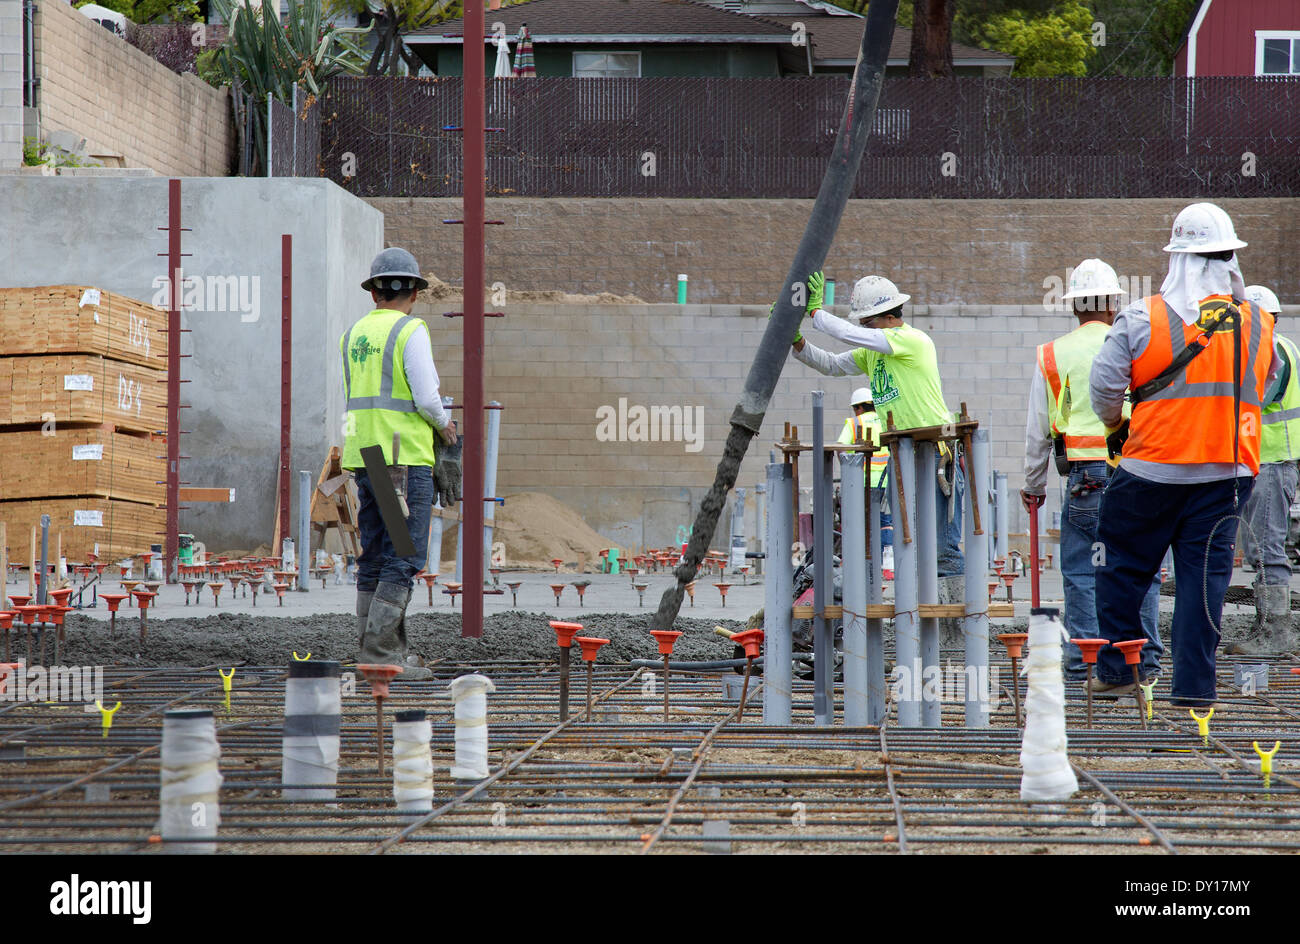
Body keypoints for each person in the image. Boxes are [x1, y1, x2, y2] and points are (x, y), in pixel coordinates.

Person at [1089, 204, 1278, 707]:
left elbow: (1104, 389)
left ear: (1178, 260)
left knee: (1120, 570)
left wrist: (1116, 427)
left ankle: (1118, 669)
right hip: (1227, 477)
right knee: (1202, 588)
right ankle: (1194, 692)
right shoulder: (1260, 324)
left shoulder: (1140, 316)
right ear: (1229, 260)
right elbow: (1270, 382)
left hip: (1149, 470)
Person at [1022, 259, 1162, 681]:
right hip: (1136, 470)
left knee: (1084, 569)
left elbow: (1037, 428)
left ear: (1075, 305)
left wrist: (1033, 484)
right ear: (1113, 302)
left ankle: (1086, 663)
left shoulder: (1052, 353)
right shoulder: (1139, 343)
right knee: (1141, 566)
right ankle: (1144, 660)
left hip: (1084, 477)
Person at [791, 272, 963, 578]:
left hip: (936, 453)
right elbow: (831, 364)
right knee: (907, 545)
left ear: (884, 317)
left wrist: (816, 313)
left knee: (943, 552)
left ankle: (956, 625)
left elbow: (846, 334)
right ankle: (917, 620)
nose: (862, 330)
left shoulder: (912, 340)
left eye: (866, 324)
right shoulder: (874, 352)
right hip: (903, 452)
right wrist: (797, 341)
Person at [341, 248, 458, 681]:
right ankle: (381, 654)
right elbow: (427, 399)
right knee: (403, 554)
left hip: (366, 457)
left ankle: (376, 649)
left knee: (376, 554)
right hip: (400, 459)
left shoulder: (353, 334)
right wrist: (446, 429)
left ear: (374, 292)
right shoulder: (411, 330)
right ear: (413, 291)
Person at [1227, 285, 1300, 655]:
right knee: (1260, 549)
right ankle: (1265, 629)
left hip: (1272, 461)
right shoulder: (1275, 347)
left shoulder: (1274, 351)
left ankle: (1277, 633)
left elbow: (1255, 398)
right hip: (1265, 462)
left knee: (1269, 548)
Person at [838, 386, 894, 568]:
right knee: (886, 522)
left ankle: (867, 564)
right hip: (887, 481)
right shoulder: (887, 421)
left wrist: (849, 473)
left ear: (858, 408)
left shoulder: (854, 423)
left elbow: (841, 448)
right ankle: (887, 561)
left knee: (865, 523)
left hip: (863, 482)